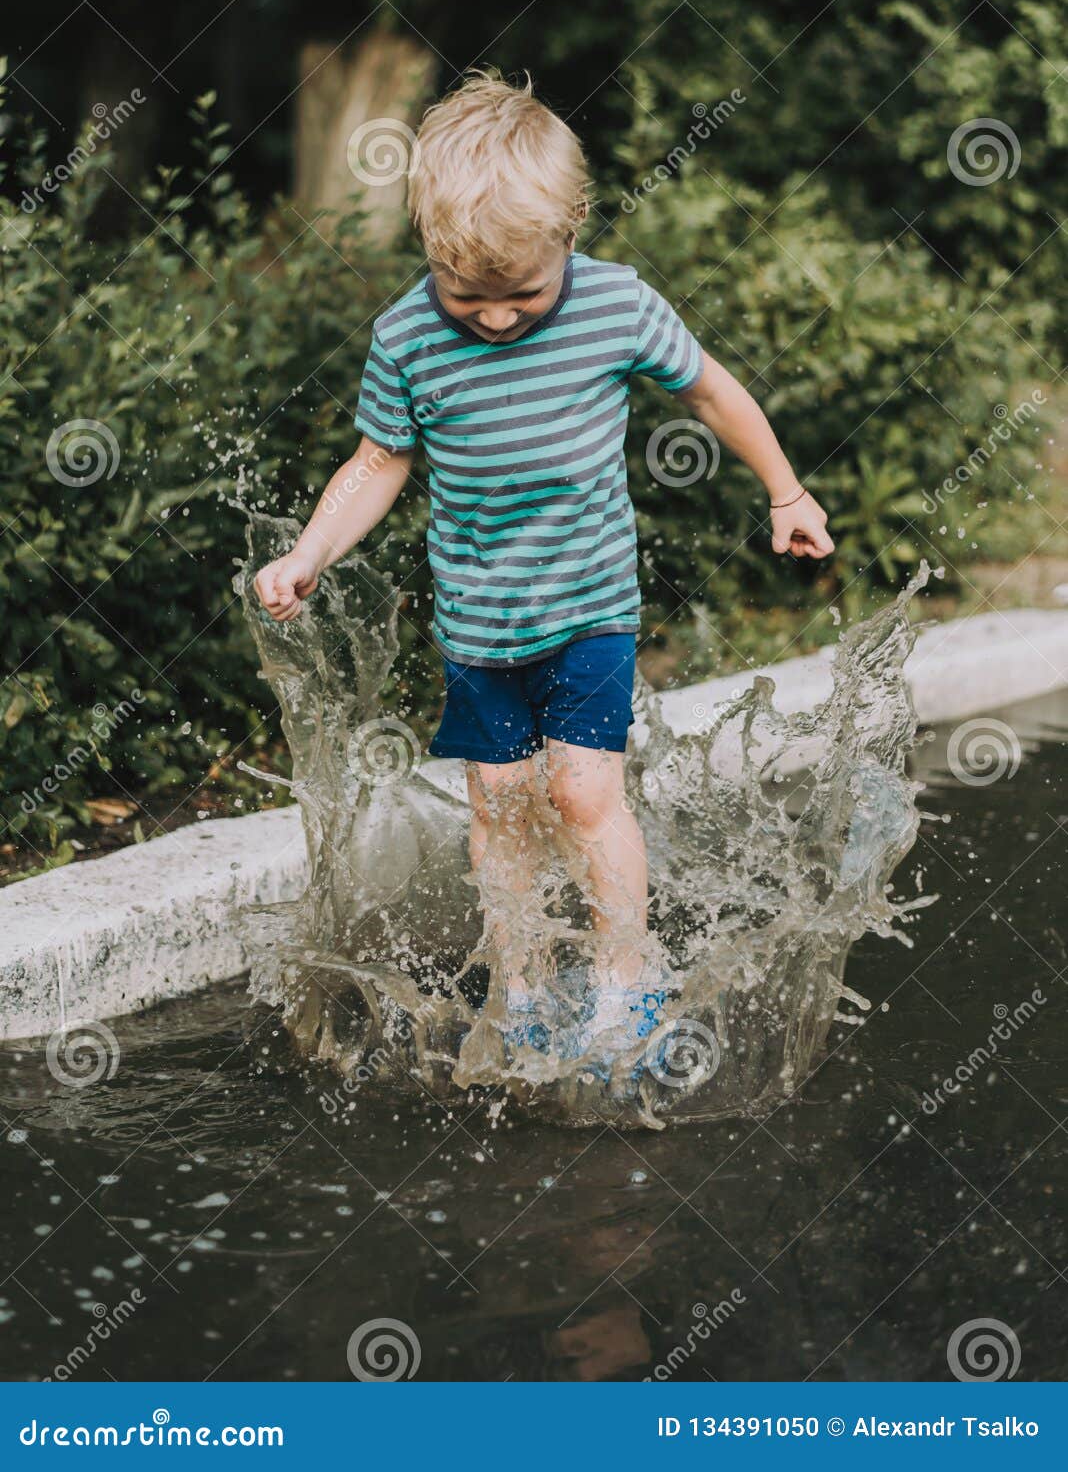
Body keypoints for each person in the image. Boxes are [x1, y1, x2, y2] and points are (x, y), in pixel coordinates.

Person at [254, 70, 834, 1064]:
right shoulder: (405, 335)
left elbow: (710, 392)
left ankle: (625, 976)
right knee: (501, 807)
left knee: (581, 795)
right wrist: (309, 550)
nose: (492, 318)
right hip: (479, 627)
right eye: (466, 293)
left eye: (521, 292)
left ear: (570, 235)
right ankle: (519, 982)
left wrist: (784, 489)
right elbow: (378, 462)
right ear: (430, 251)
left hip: (591, 610)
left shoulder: (614, 304)